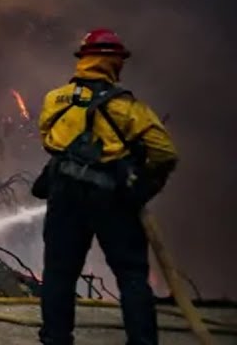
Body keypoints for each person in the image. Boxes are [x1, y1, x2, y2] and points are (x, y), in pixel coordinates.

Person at [35, 29, 178, 345]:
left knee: (59, 273)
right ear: (114, 62)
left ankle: (56, 339)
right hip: (112, 200)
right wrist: (144, 181)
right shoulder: (129, 109)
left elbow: (49, 140)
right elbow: (166, 153)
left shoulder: (55, 99)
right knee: (131, 275)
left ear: (83, 60)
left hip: (65, 196)